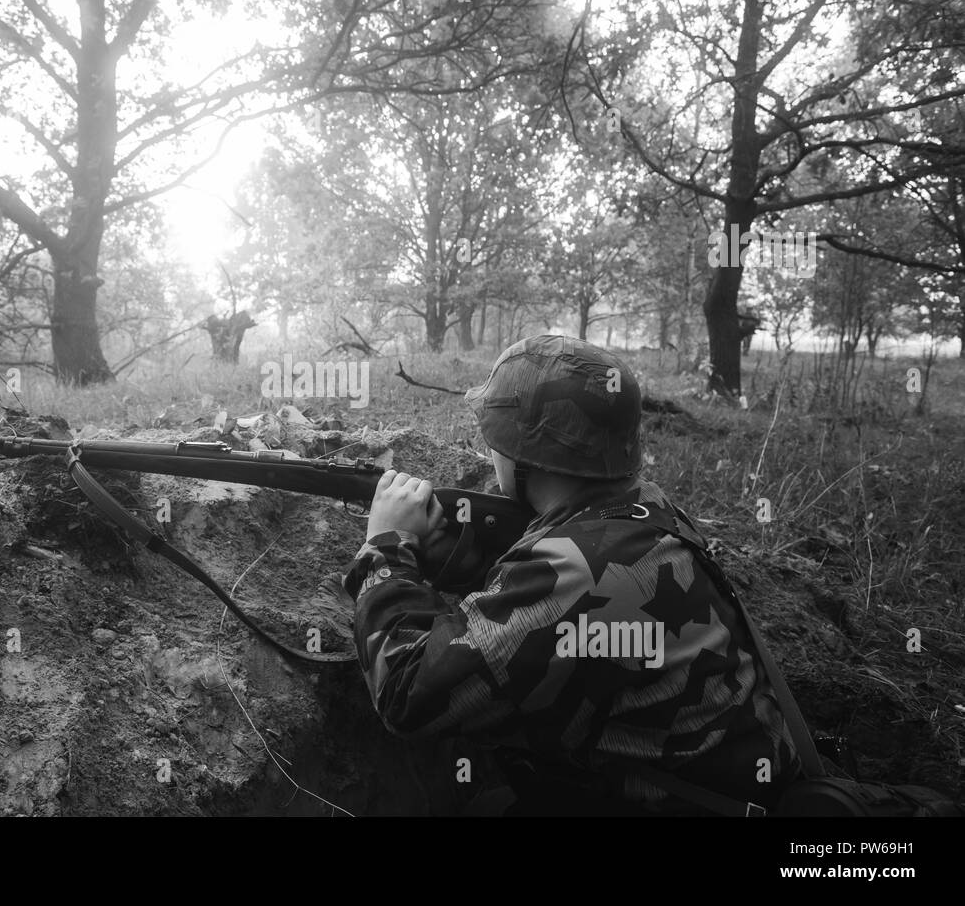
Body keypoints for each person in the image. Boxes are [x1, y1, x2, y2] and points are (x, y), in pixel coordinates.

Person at [340, 334, 802, 815]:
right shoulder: (649, 508)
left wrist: (386, 548)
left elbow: (405, 694)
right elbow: (545, 602)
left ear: (521, 450)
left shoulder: (574, 574)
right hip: (738, 783)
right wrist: (454, 561)